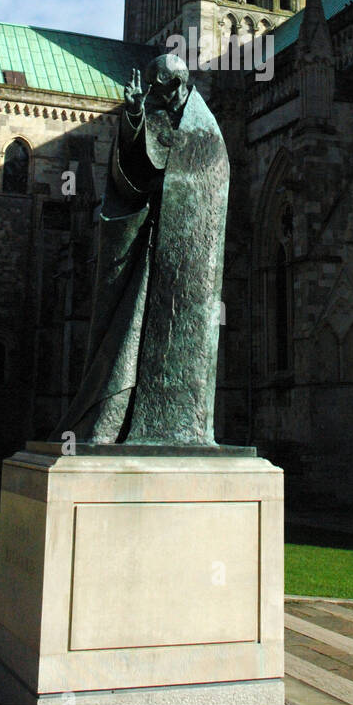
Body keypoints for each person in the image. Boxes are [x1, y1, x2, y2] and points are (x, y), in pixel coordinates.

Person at [56, 54, 229, 446]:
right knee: (124, 329)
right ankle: (111, 416)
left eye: (159, 88)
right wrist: (132, 118)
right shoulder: (159, 116)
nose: (152, 95)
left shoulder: (205, 133)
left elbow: (203, 185)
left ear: (180, 86)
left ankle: (177, 427)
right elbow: (139, 169)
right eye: (149, 88)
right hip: (153, 247)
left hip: (187, 266)